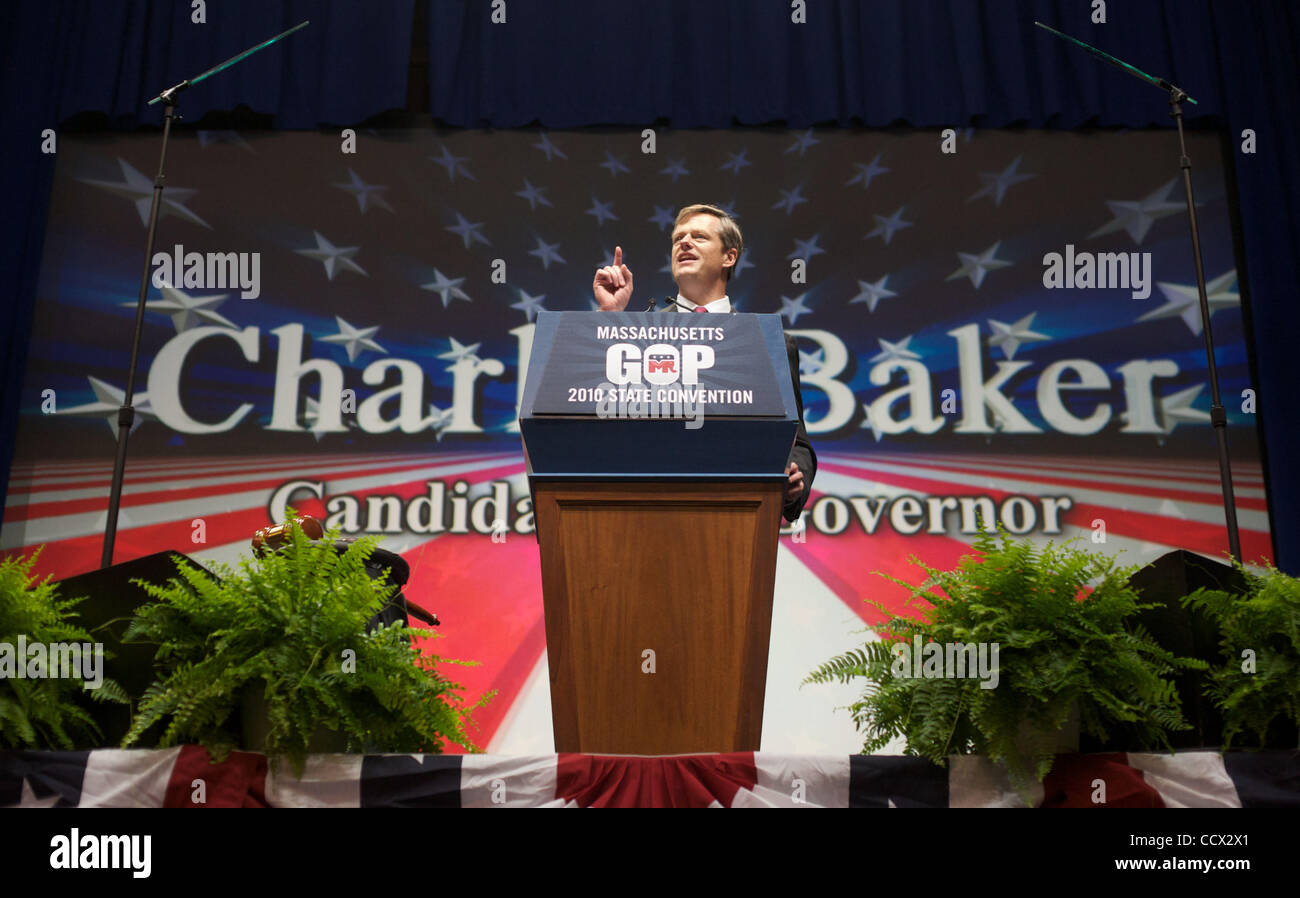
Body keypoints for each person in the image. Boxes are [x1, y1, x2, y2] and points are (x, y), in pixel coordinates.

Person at [592, 203, 816, 523]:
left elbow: (798, 443)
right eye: (678, 238)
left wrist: (795, 480)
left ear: (729, 257)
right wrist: (611, 320)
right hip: (645, 511)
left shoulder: (770, 343)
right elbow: (598, 412)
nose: (684, 242)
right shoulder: (638, 334)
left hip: (737, 516)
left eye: (699, 237)